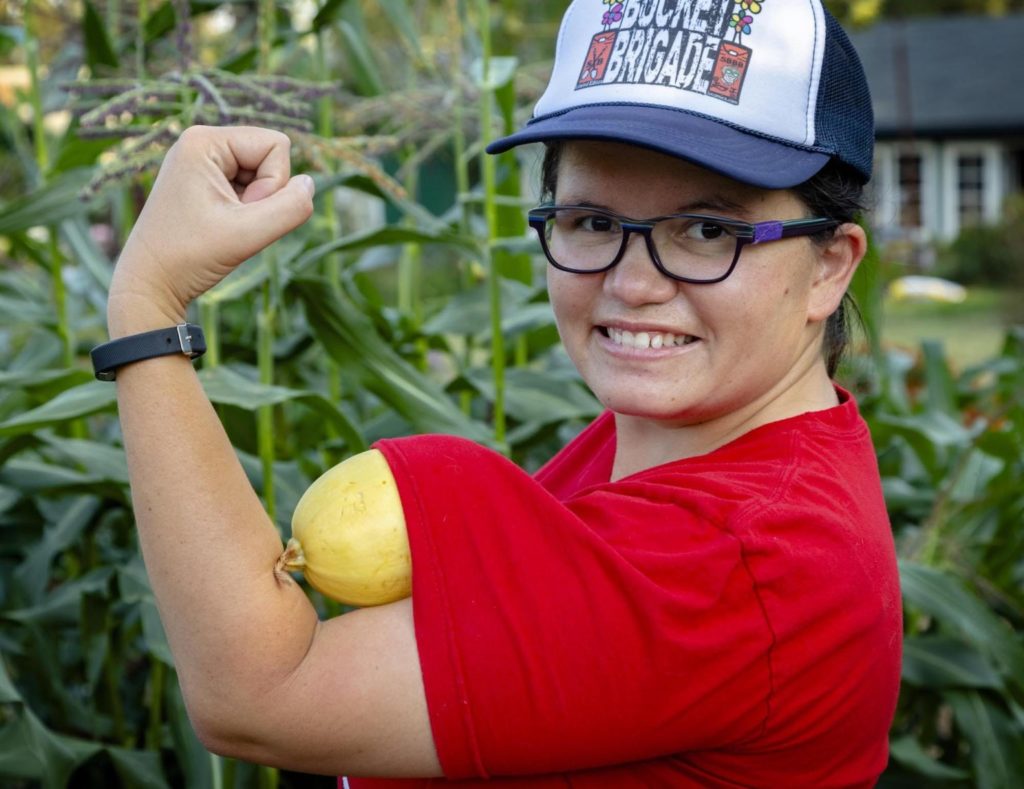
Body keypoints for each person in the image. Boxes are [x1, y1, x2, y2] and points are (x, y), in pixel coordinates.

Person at [94, 0, 901, 786]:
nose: (631, 282)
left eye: (707, 231)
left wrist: (147, 304)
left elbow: (262, 691)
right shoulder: (685, 439)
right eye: (591, 221)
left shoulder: (745, 559)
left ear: (830, 264)